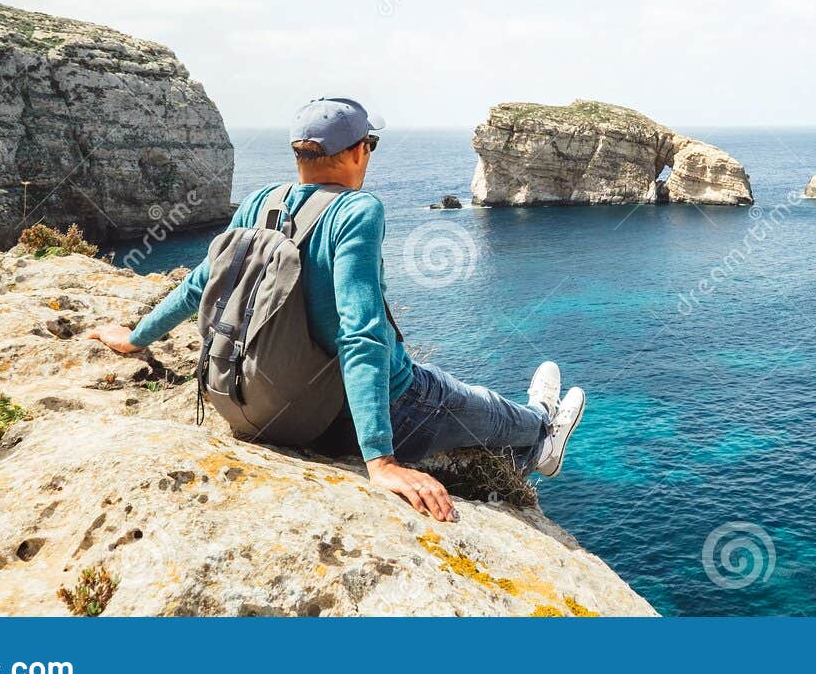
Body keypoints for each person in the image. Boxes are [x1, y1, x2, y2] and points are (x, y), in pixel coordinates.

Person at [85, 96, 586, 522]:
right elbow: (360, 333)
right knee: (471, 402)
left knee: (454, 392)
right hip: (341, 419)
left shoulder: (259, 202)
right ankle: (542, 432)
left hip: (249, 406)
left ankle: (531, 439)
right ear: (353, 152)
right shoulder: (357, 212)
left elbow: (201, 284)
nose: (370, 153)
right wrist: (381, 461)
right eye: (371, 144)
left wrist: (134, 338)